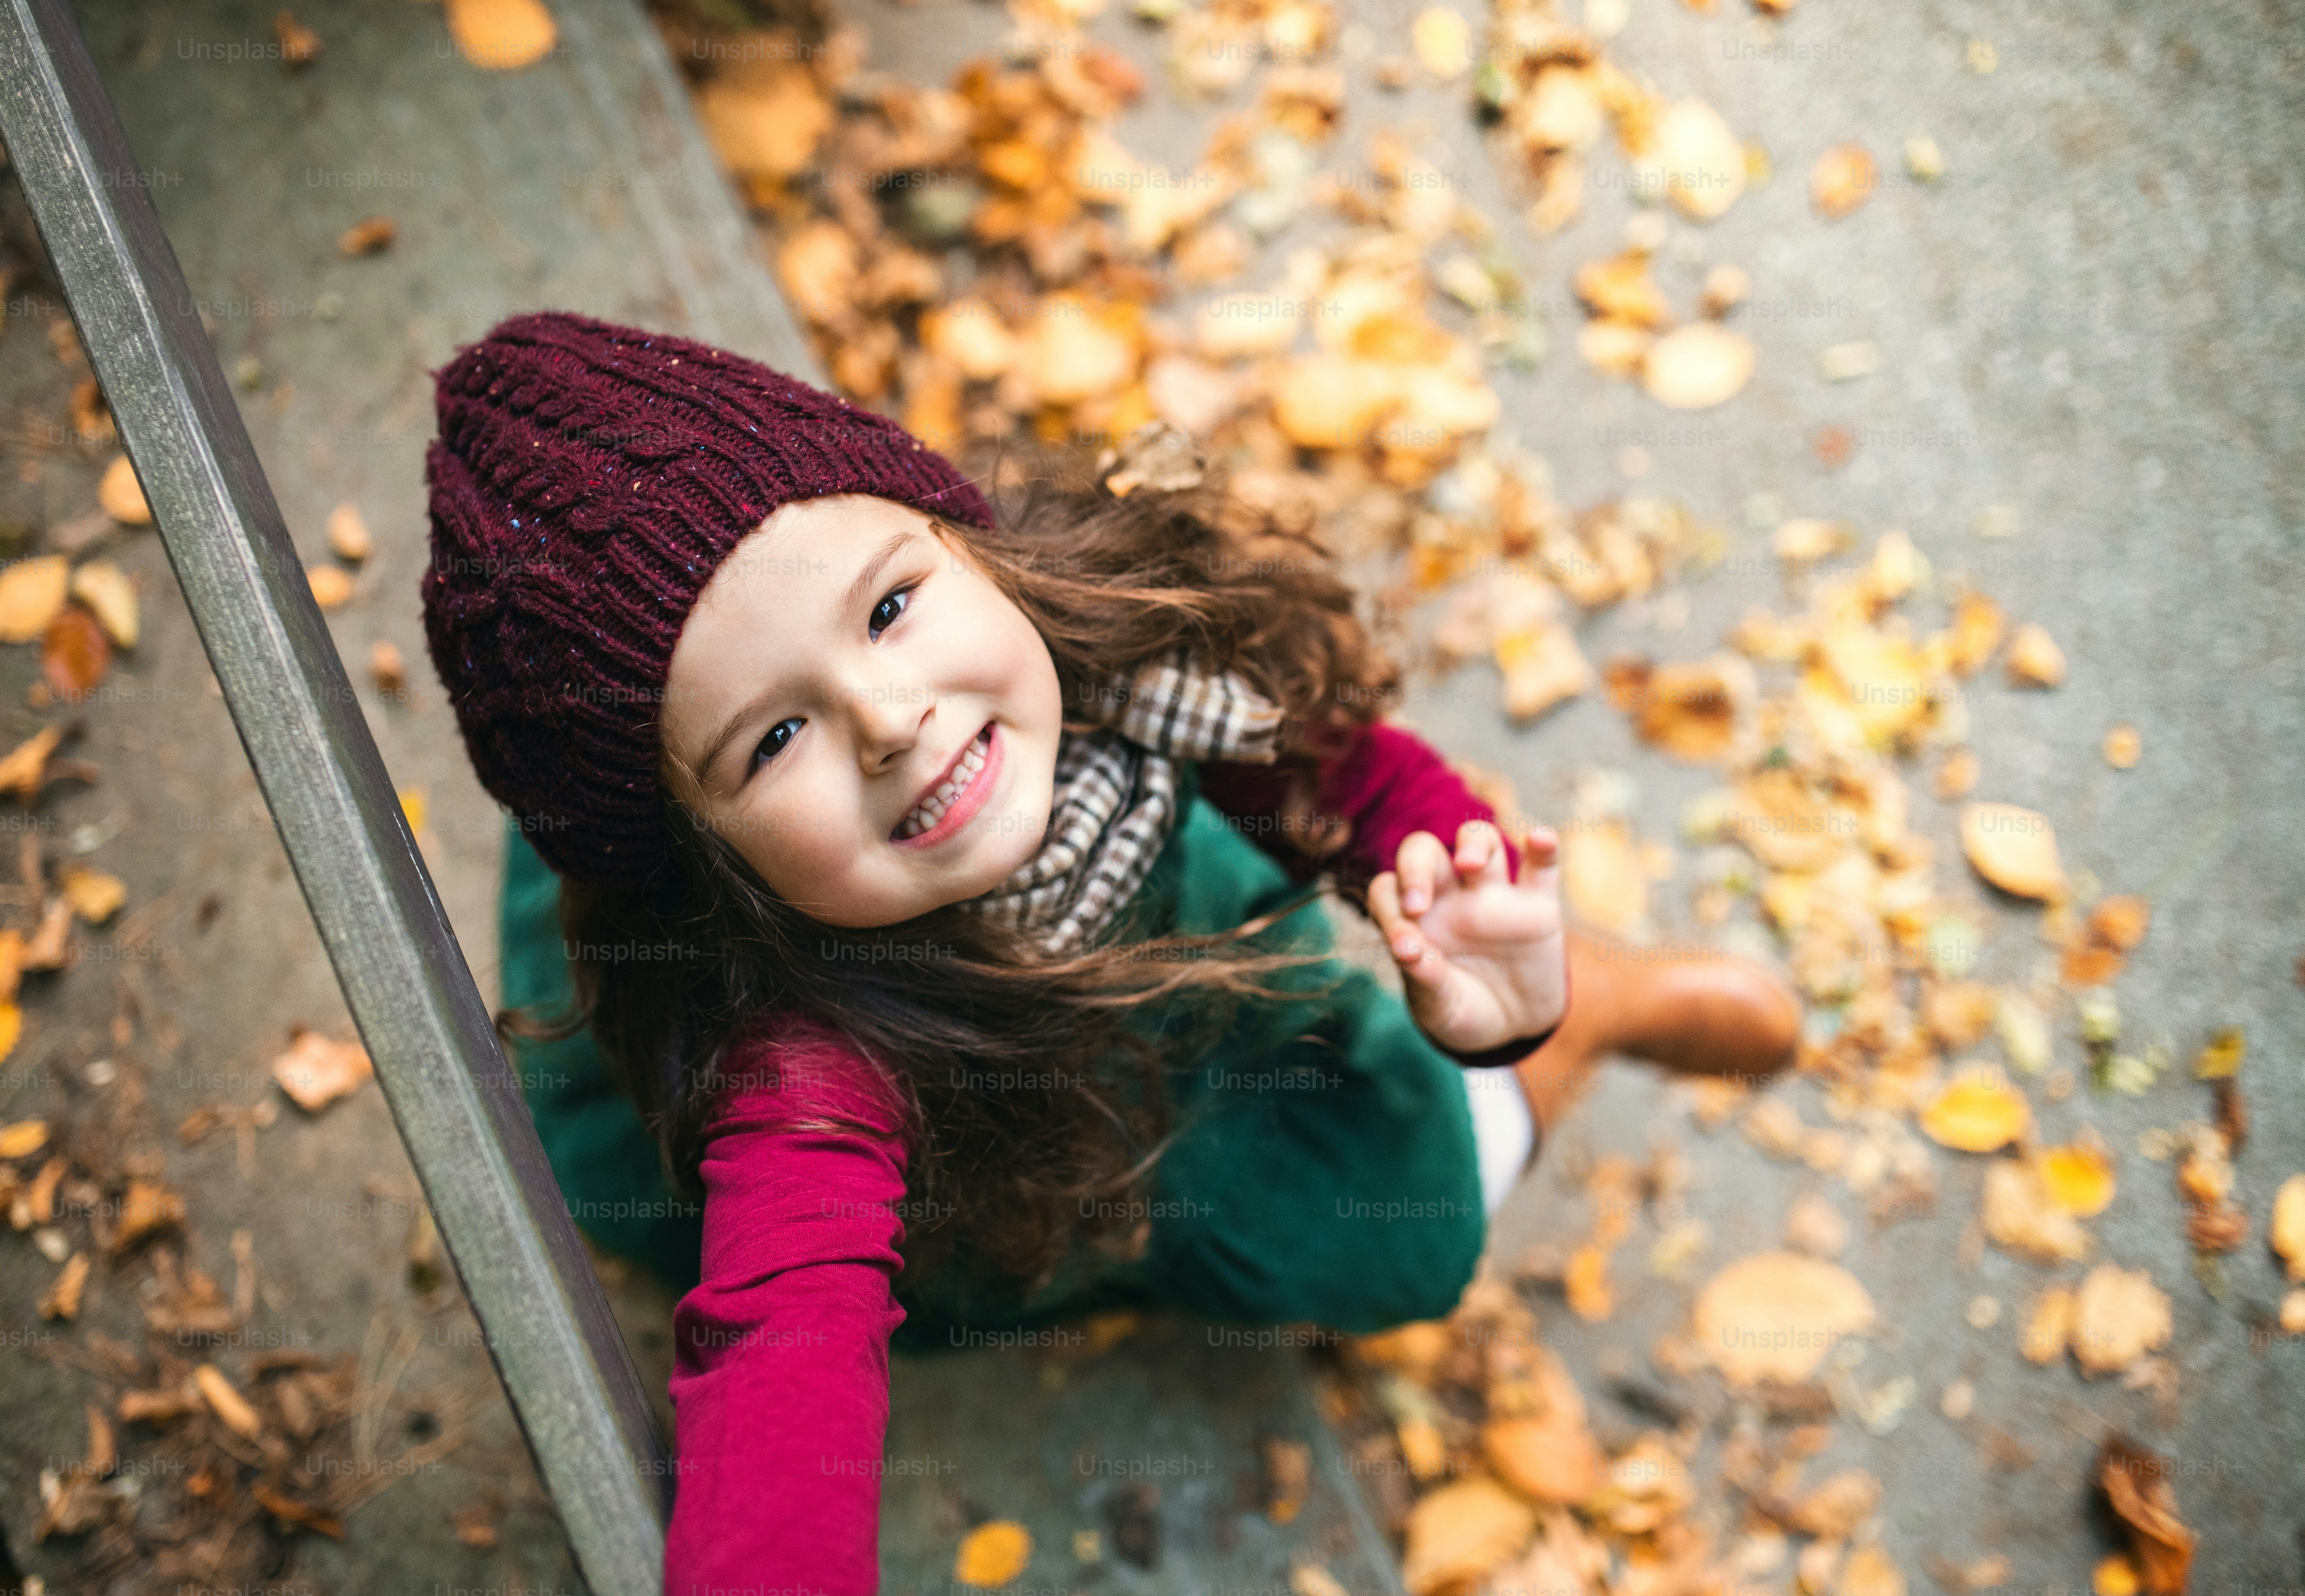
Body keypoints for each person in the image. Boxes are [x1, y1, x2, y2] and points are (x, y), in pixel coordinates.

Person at [420, 313, 1799, 1590]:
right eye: (775, 737)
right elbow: (785, 1337)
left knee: (1413, 1222)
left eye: (889, 607)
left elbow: (1340, 775)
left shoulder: (1130, 655)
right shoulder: (801, 1055)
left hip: (1176, 1027)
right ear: (710, 866)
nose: (892, 716)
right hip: (985, 1109)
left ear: (952, 530)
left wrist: (1464, 922)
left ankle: (1592, 1007)